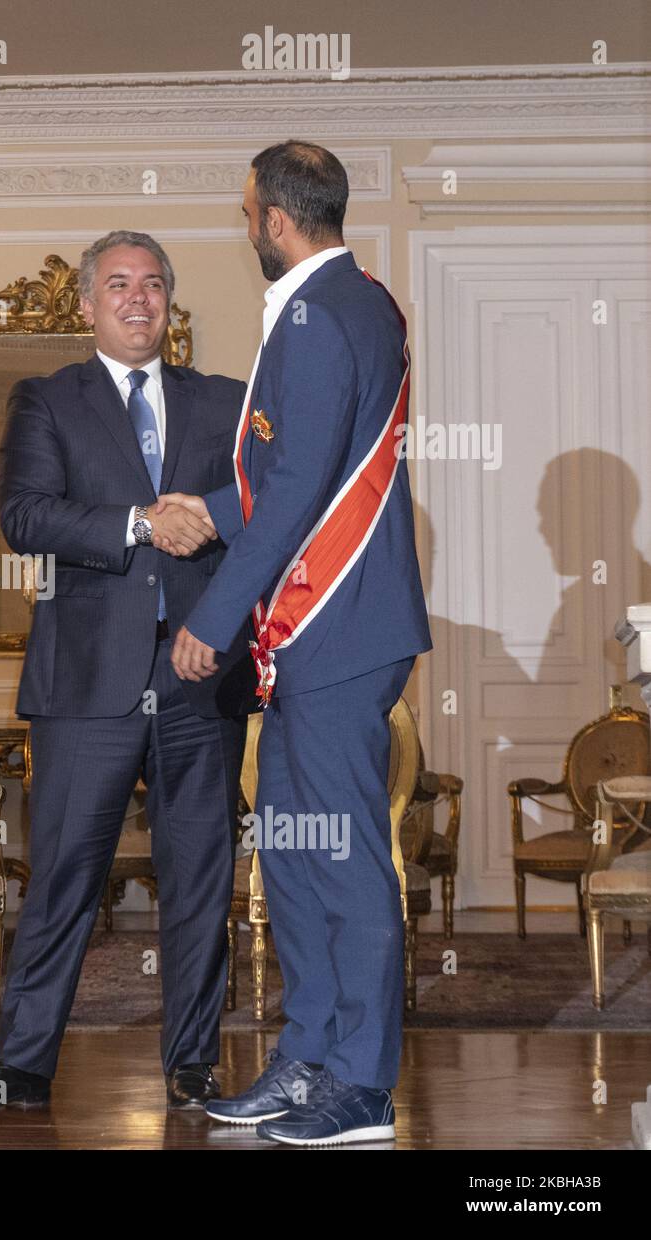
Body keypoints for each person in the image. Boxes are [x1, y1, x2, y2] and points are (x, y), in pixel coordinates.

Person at [0, 230, 256, 1115]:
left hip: (201, 679)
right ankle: (23, 1066)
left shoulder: (225, 403)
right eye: (119, 285)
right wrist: (142, 524)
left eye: (154, 285)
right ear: (86, 305)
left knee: (199, 882)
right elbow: (25, 515)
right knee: (63, 877)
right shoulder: (47, 401)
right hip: (84, 684)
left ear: (171, 301)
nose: (139, 299)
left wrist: (209, 522)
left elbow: (269, 508)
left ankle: (192, 1068)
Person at [165, 141, 432, 1146]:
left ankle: (359, 1085)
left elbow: (299, 496)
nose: (247, 231)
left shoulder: (317, 316)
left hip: (335, 627)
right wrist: (210, 509)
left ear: (276, 218)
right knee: (292, 847)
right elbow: (292, 479)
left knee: (346, 859)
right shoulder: (356, 302)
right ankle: (309, 1055)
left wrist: (211, 616)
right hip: (324, 632)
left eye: (246, 214)